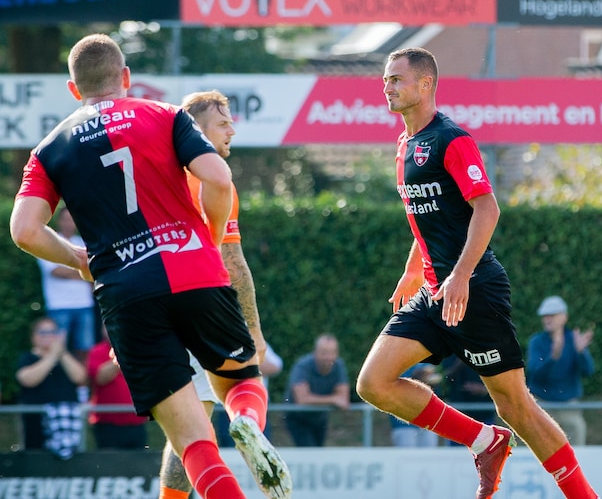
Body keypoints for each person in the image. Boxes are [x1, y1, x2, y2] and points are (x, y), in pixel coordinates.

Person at [9, 33, 290, 499]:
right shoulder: (165, 115)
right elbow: (219, 178)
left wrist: (79, 258)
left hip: (125, 294)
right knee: (242, 382)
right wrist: (210, 239)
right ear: (125, 78)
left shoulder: (50, 148)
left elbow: (24, 231)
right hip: (195, 271)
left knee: (193, 445)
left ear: (74, 90)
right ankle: (244, 421)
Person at [354, 47, 598, 499]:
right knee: (373, 383)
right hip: (435, 292)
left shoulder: (452, 139)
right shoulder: (405, 146)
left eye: (396, 80)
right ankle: (484, 441)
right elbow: (428, 219)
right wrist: (413, 271)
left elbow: (487, 208)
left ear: (426, 85)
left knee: (516, 407)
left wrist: (461, 274)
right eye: (385, 80)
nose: (386, 87)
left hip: (474, 288)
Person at [159, 89, 284, 499]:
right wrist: (255, 330)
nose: (233, 128)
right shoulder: (212, 178)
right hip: (203, 301)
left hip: (151, 311)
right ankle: (246, 419)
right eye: (223, 122)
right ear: (196, 130)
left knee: (185, 428)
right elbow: (233, 261)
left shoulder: (157, 176)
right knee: (247, 386)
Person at [527, 295, 595, 445]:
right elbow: (534, 374)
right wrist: (552, 358)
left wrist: (581, 353)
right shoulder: (536, 341)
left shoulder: (574, 339)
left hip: (569, 406)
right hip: (542, 407)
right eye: (544, 316)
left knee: (577, 440)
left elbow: (589, 371)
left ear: (564, 317)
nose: (547, 319)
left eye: (552, 315)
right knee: (543, 450)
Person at [16, 317, 87, 456]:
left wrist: (62, 353)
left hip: (65, 425)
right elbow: (27, 379)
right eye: (43, 332)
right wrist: (52, 356)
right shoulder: (27, 358)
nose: (48, 336)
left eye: (52, 331)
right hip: (36, 424)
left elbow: (81, 377)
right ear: (34, 336)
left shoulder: (67, 358)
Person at [36, 209, 97, 361]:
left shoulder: (84, 242)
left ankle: (82, 385)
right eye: (66, 219)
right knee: (57, 350)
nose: (69, 223)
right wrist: (84, 272)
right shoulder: (50, 241)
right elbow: (56, 271)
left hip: (84, 304)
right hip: (59, 305)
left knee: (85, 349)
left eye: (72, 220)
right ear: (59, 221)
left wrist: (81, 272)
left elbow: (93, 271)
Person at [87, 322, 147, 450]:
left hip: (136, 423)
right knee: (109, 466)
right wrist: (123, 351)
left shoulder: (141, 350)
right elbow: (101, 378)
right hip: (108, 425)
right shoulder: (97, 351)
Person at [285, 333, 350, 447]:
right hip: (298, 419)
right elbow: (302, 399)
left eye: (332, 353)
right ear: (315, 352)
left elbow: (343, 399)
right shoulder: (303, 365)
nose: (328, 357)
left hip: (320, 418)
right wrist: (333, 399)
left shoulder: (339, 365)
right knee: (309, 452)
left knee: (318, 452)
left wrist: (324, 400)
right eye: (324, 353)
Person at [391, 363, 442, 447]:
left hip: (428, 421)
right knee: (406, 457)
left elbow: (436, 391)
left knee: (430, 456)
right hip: (404, 423)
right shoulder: (396, 361)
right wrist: (417, 377)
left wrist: (431, 380)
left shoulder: (427, 359)